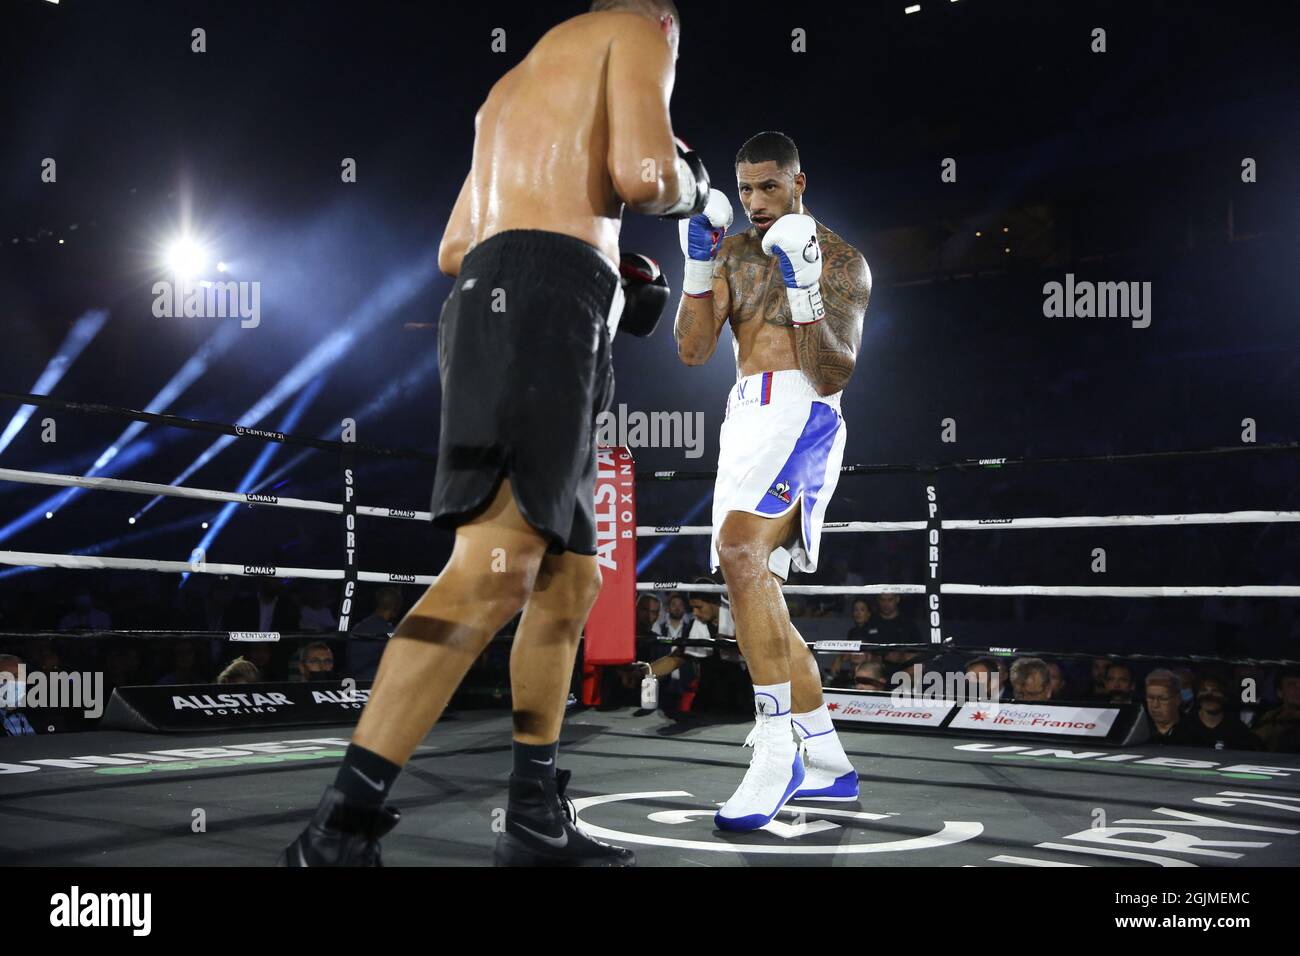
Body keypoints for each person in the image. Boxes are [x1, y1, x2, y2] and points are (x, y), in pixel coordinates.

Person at [284, 0, 704, 868]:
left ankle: (535, 814)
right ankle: (338, 829)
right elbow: (643, 172)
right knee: (493, 570)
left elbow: (455, 246)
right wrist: (700, 185)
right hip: (544, 308)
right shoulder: (638, 30)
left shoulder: (506, 89)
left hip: (511, 296)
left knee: (569, 579)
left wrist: (610, 280)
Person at [674, 130, 872, 828]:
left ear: (798, 182)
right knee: (759, 593)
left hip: (804, 412)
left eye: (769, 186)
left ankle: (774, 746)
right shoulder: (732, 252)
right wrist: (698, 265)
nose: (755, 201)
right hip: (743, 418)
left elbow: (833, 371)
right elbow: (695, 350)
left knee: (741, 553)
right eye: (746, 187)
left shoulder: (843, 261)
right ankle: (829, 762)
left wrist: (804, 282)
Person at [348, 587, 403, 681]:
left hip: (355, 680)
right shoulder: (388, 631)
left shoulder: (359, 626)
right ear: (396, 607)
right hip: (372, 683)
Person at [1252, 667, 1300, 753]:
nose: (1298, 690)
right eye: (1292, 685)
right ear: (1280, 692)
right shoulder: (1269, 718)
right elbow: (1253, 744)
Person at [1143, 669, 1185, 744]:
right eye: (1151, 698)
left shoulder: (1194, 732)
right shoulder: (1137, 733)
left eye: (1163, 699)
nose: (1155, 705)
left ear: (1177, 699)